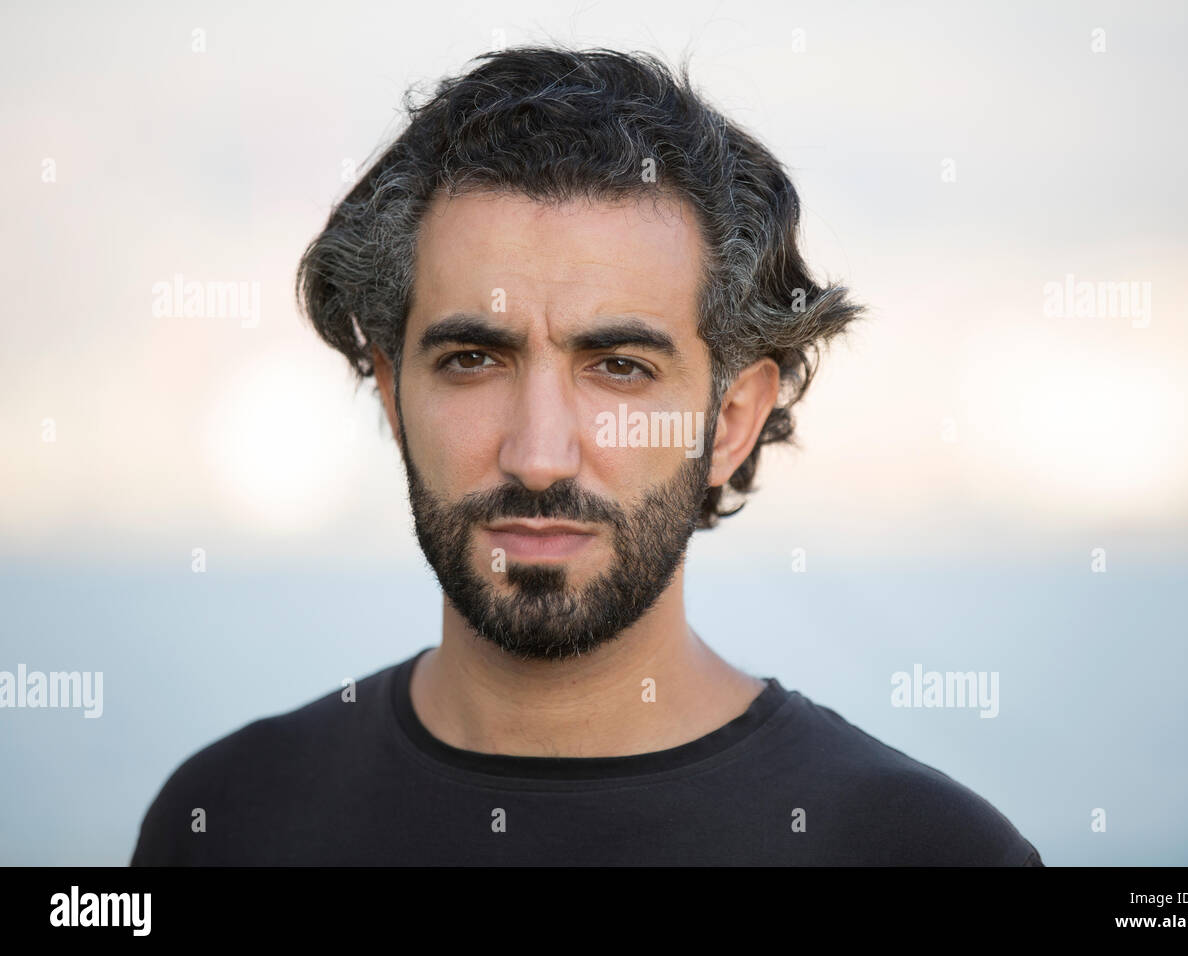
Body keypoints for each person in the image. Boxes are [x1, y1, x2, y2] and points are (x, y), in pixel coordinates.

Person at [131, 45, 1042, 866]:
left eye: (618, 367)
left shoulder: (919, 854)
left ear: (730, 421)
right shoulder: (227, 820)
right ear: (391, 390)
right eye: (473, 360)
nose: (537, 456)